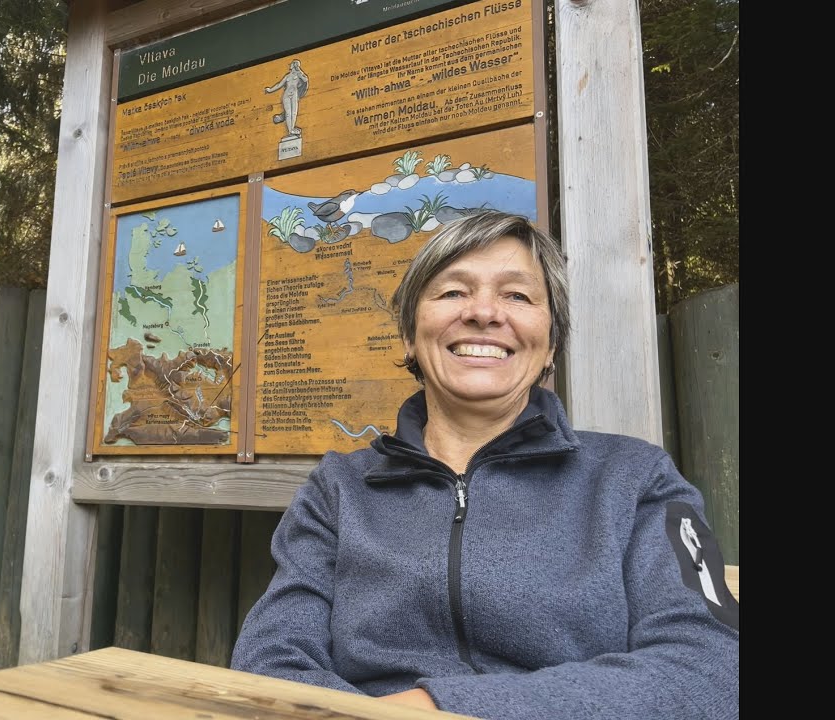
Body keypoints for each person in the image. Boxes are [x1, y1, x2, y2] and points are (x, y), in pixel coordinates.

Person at [230, 210, 739, 719]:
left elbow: (715, 665)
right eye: (452, 292)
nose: (484, 312)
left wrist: (435, 709)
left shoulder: (638, 478)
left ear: (550, 345)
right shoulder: (340, 488)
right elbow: (270, 657)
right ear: (409, 335)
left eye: (517, 295)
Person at [265, 59, 308, 138]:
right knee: (288, 113)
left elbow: (305, 79)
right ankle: (290, 130)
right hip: (286, 95)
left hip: (294, 94)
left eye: (291, 64)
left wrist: (299, 70)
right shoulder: (287, 76)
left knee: (294, 112)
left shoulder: (299, 74)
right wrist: (270, 90)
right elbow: (279, 85)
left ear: (294, 65)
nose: (290, 66)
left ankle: (292, 129)